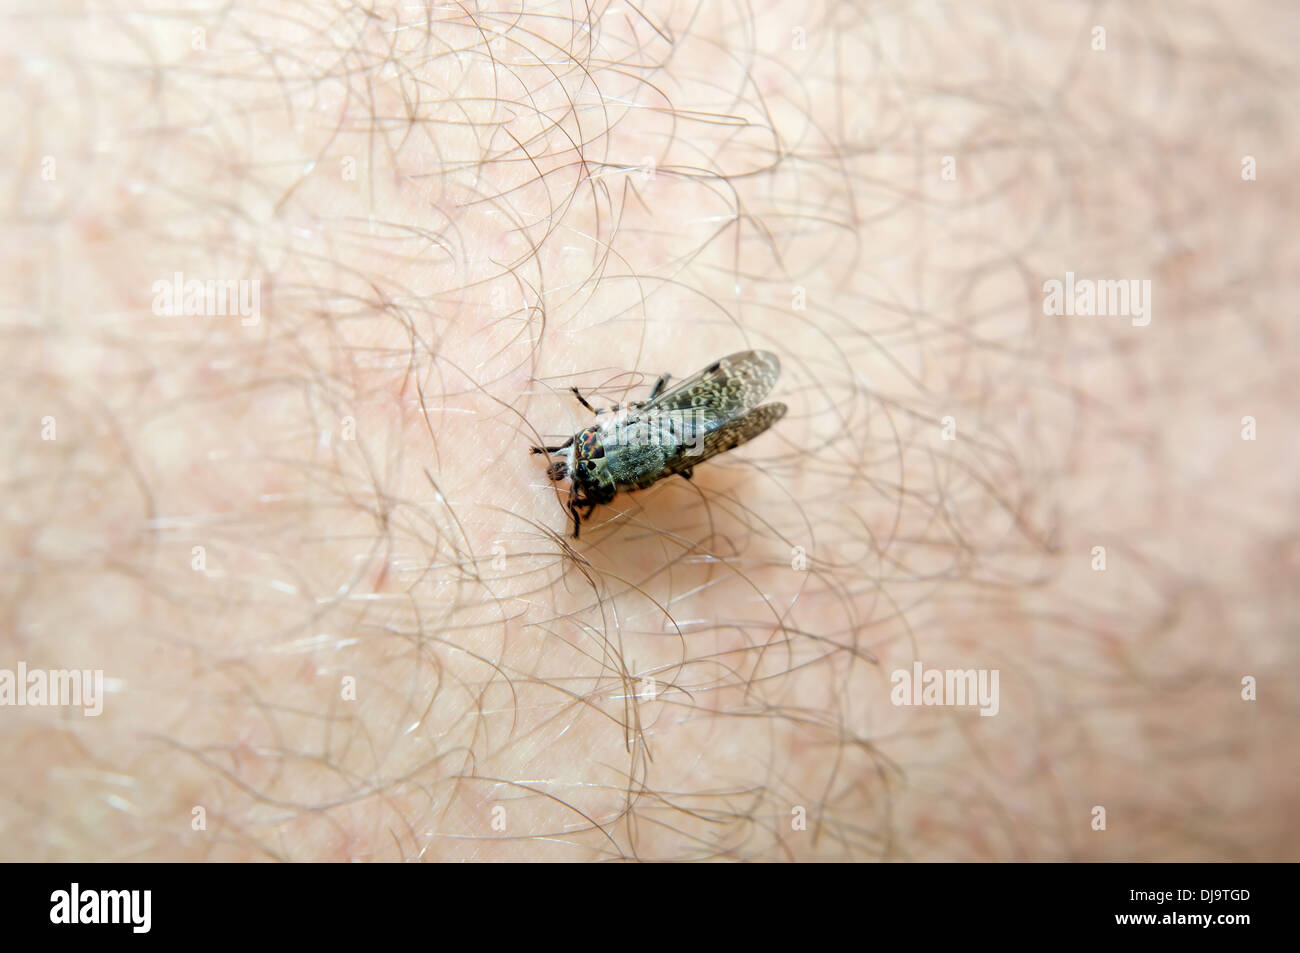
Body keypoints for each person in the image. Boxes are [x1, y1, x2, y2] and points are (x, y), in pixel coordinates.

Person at [3, 1, 1295, 861]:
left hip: (676, 426)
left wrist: (627, 457)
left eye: (578, 470)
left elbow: (634, 447)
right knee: (677, 429)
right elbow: (623, 449)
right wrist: (613, 460)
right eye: (578, 470)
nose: (576, 473)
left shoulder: (637, 452)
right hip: (669, 428)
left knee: (683, 426)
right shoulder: (622, 454)